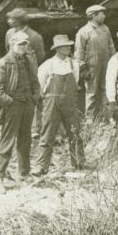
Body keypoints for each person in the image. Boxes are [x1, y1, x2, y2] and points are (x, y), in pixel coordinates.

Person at [0, 31, 40, 189]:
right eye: (20, 44)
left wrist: (34, 98)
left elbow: (35, 82)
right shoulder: (3, 63)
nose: (24, 47)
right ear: (12, 44)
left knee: (25, 140)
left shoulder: (28, 61)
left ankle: (24, 174)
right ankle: (0, 178)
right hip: (12, 107)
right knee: (7, 141)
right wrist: (9, 102)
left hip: (27, 105)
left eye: (25, 44)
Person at [33, 35, 85, 176]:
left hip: (69, 103)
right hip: (52, 104)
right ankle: (41, 166)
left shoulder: (73, 65)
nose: (69, 48)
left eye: (69, 45)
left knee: (74, 132)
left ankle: (78, 161)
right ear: (57, 49)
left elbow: (75, 80)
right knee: (47, 134)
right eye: (65, 46)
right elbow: (40, 86)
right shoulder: (47, 65)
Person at [4, 8, 45, 138]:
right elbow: (7, 49)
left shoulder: (34, 36)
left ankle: (34, 129)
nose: (8, 21)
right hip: (13, 71)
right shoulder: (9, 33)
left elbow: (40, 55)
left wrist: (30, 67)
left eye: (12, 19)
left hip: (29, 72)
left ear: (19, 21)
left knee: (32, 97)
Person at [75, 4, 115, 121]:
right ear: (93, 15)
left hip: (106, 65)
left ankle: (106, 118)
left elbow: (111, 46)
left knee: (106, 90)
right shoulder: (83, 32)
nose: (104, 16)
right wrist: (82, 67)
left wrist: (114, 61)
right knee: (91, 93)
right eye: (101, 13)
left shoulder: (105, 29)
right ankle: (90, 119)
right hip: (91, 67)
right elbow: (78, 52)